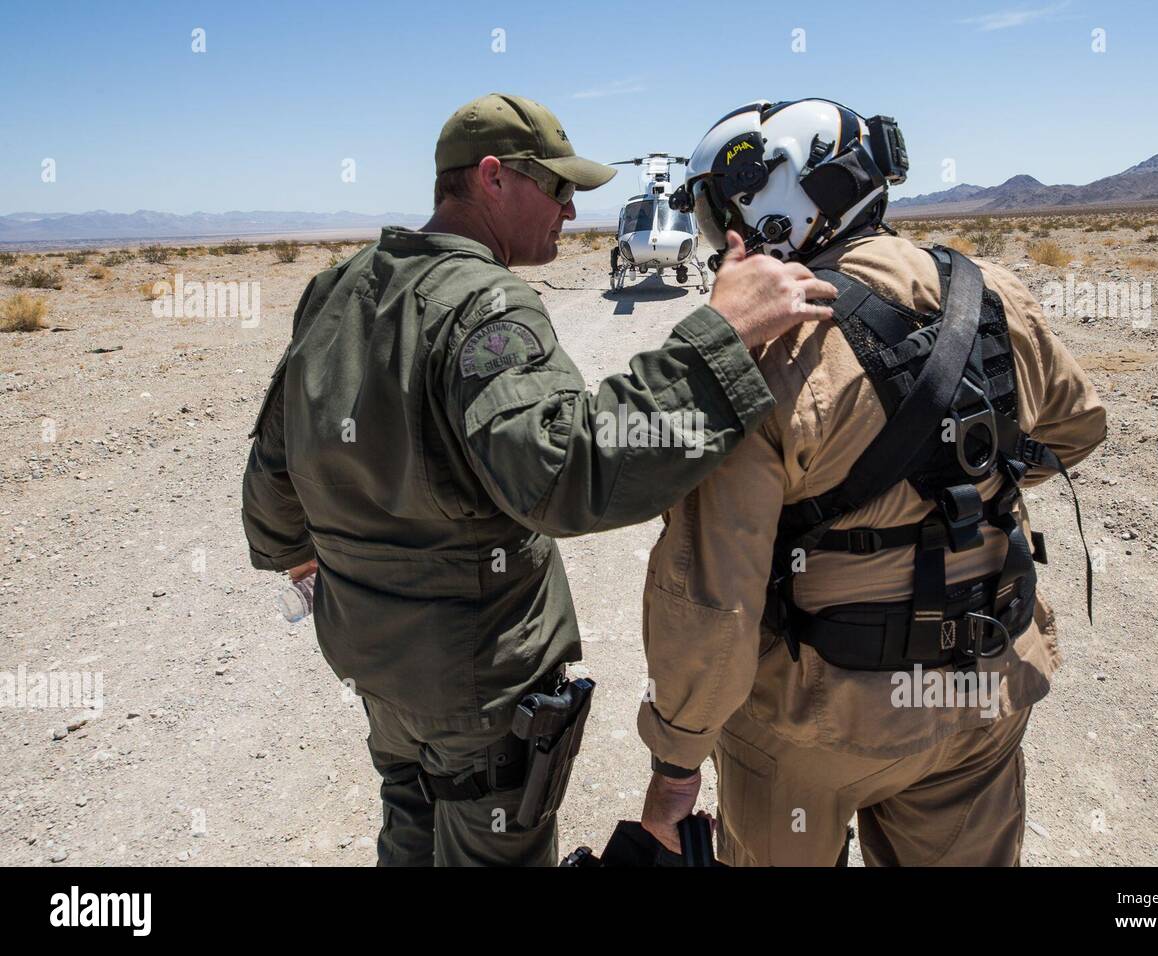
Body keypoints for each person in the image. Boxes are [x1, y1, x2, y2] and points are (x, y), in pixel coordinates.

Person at [240, 92, 838, 866]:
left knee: (411, 834)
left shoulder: (340, 288)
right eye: (556, 189)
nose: (570, 213)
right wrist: (719, 340)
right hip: (478, 695)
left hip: (379, 671)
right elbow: (568, 473)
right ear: (492, 177)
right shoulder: (484, 304)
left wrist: (323, 571)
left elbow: (272, 471)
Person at [637, 98, 1107, 866]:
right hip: (980, 694)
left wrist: (675, 764)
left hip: (816, 723)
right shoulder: (992, 291)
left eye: (719, 209)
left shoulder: (761, 356)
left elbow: (710, 597)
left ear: (775, 202)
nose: (717, 232)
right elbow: (1077, 428)